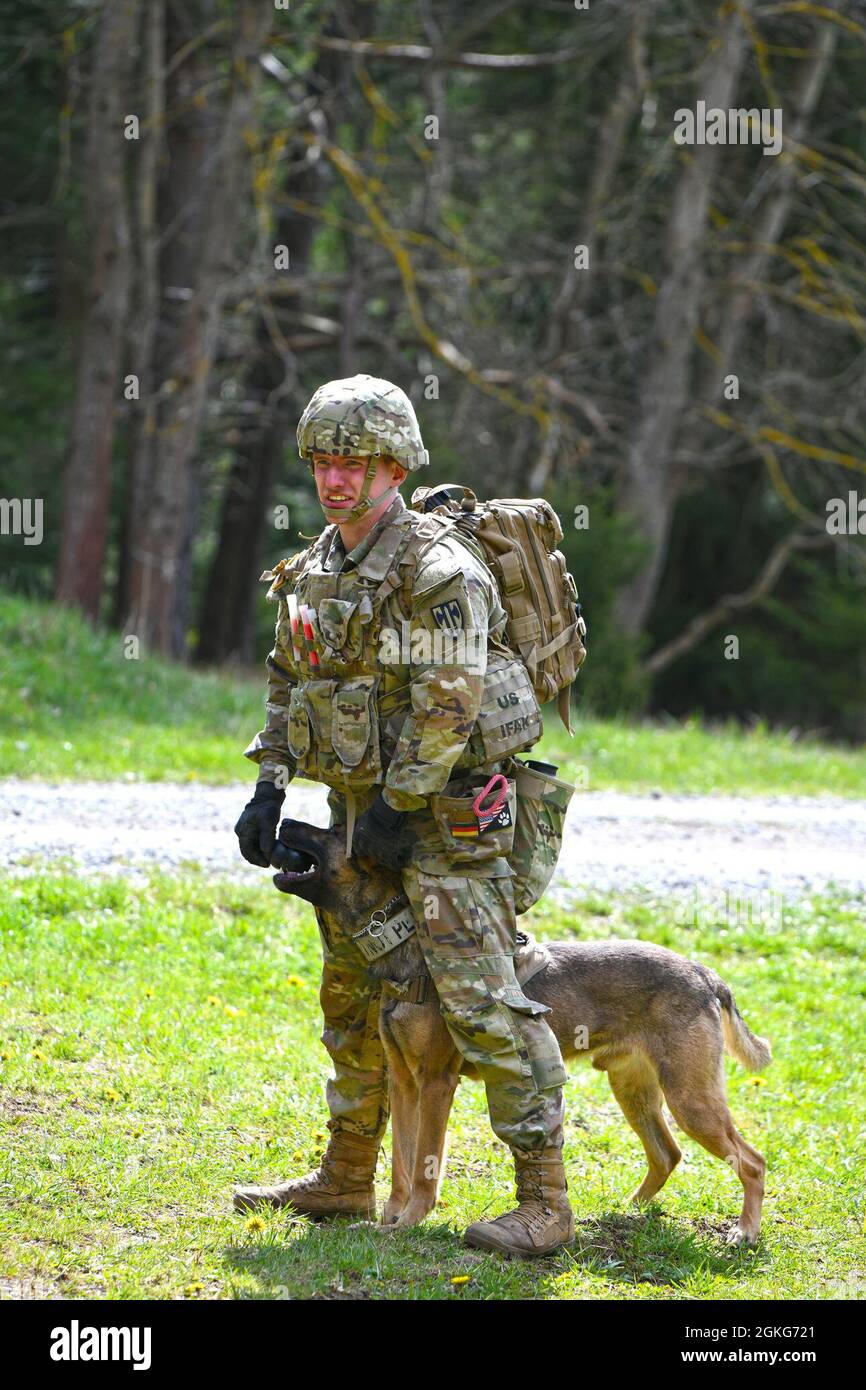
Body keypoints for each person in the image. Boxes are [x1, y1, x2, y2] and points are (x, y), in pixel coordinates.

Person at [232, 374, 572, 1256]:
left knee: (482, 1003)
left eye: (356, 463)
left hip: (450, 819)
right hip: (359, 814)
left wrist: (398, 803)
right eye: (323, 461)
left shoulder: (435, 568)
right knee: (351, 996)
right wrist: (270, 783)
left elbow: (449, 702)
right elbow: (288, 680)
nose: (335, 480)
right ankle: (346, 1176)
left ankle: (545, 1204)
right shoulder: (316, 566)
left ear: (394, 466)